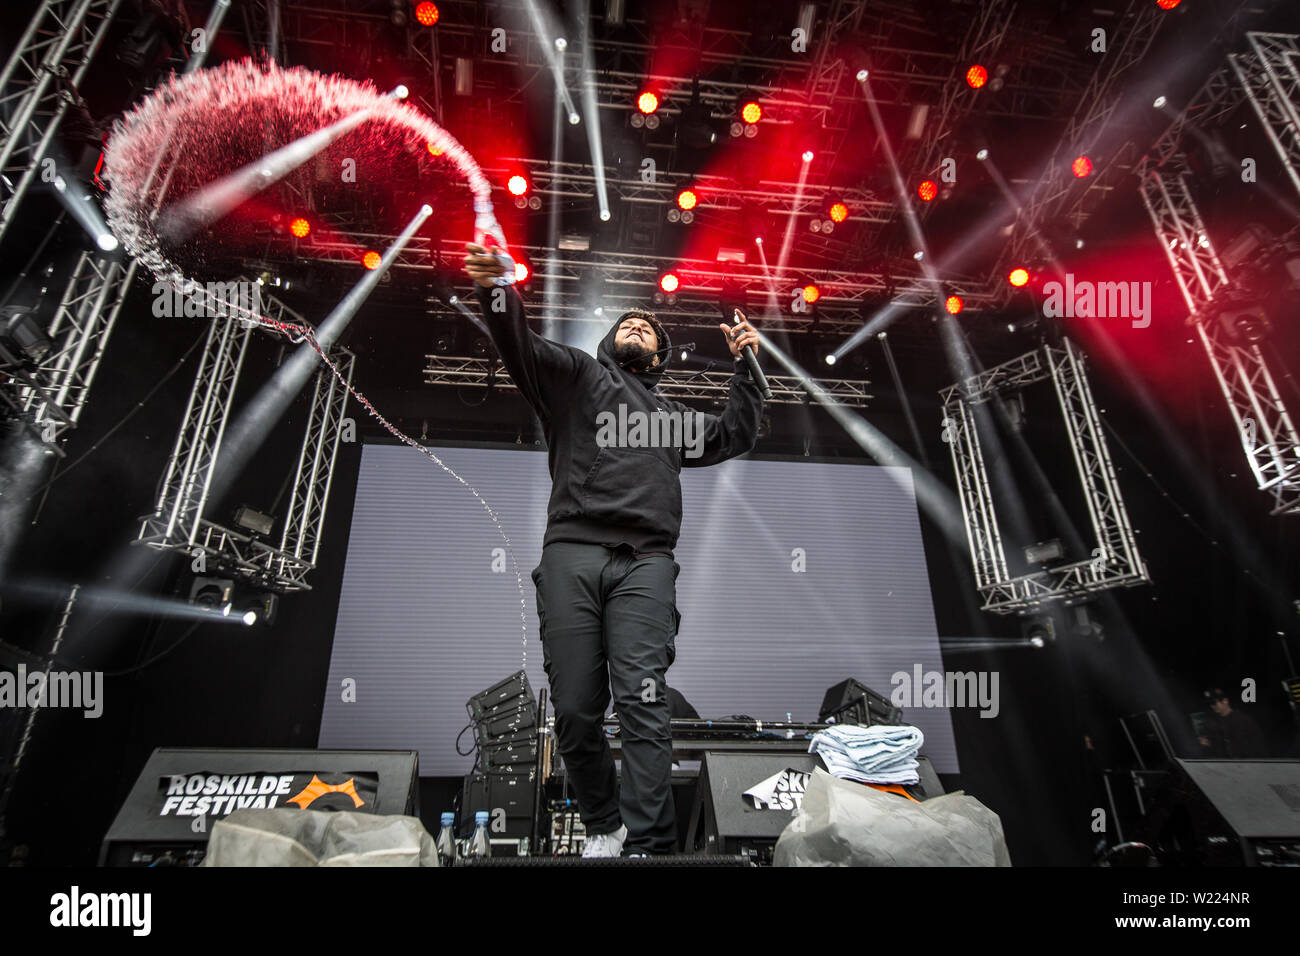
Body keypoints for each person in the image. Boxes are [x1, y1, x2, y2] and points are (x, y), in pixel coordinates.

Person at [462, 242, 765, 856]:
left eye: (647, 329)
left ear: (660, 356)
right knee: (573, 709)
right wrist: (498, 291)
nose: (636, 326)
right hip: (574, 550)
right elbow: (522, 348)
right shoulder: (579, 379)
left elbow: (735, 432)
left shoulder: (670, 417)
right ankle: (604, 824)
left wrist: (747, 367)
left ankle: (651, 845)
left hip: (646, 564)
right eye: (627, 323)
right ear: (609, 343)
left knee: (642, 699)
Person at [1197, 688, 1269, 758]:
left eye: (1214, 703)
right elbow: (1217, 748)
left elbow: (1258, 745)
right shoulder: (1212, 723)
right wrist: (1207, 744)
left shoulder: (1243, 719)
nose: (1212, 706)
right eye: (1210, 704)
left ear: (1225, 701)